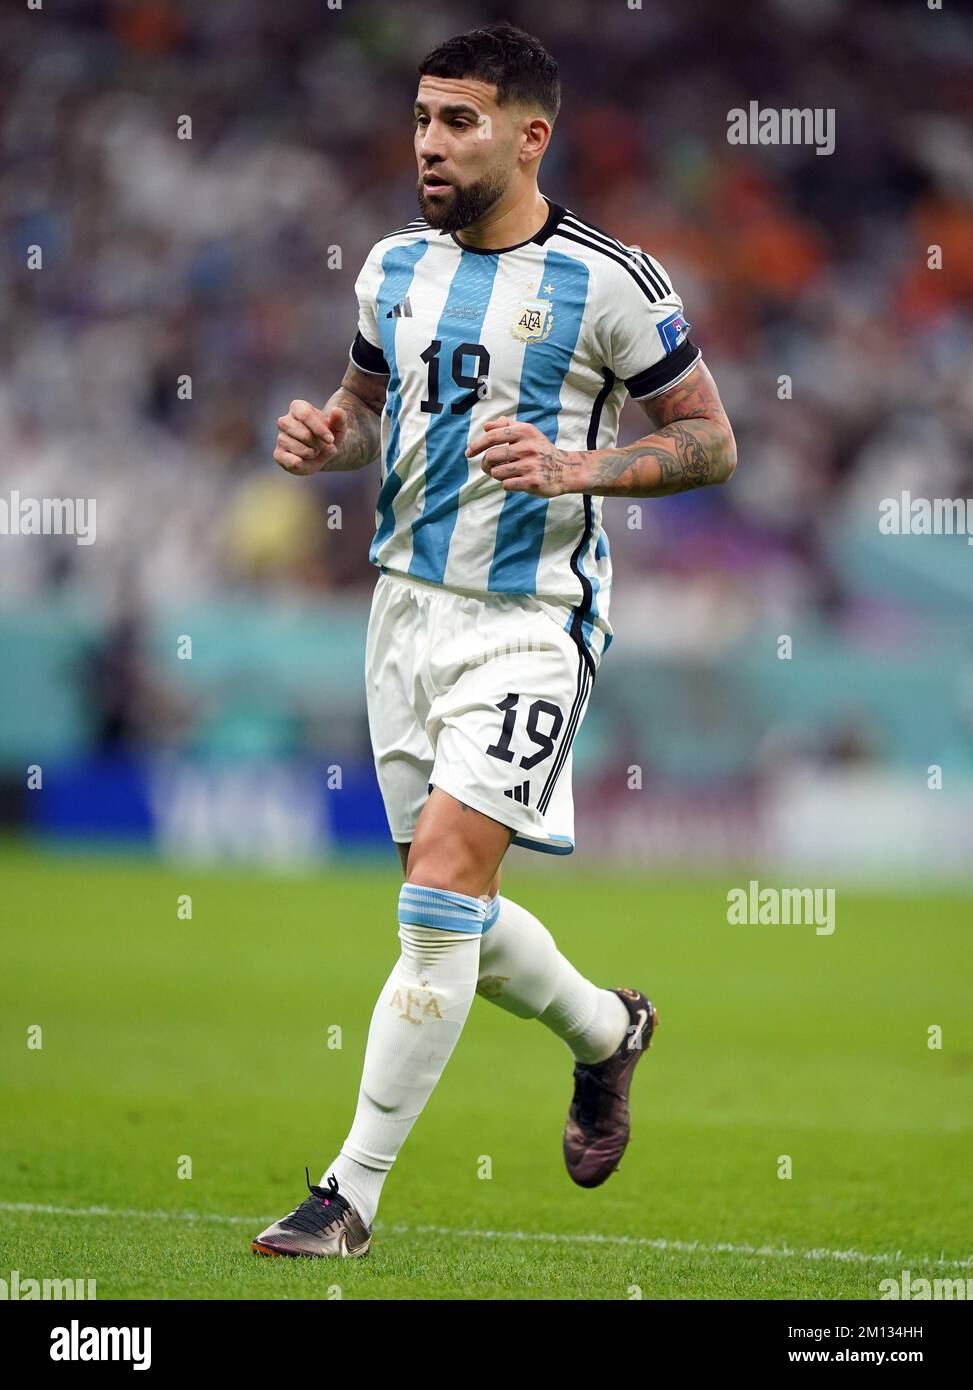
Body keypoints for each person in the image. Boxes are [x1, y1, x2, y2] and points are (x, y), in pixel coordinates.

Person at [253, 21, 735, 1259]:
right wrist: (326, 441)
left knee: (438, 900)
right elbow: (368, 411)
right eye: (421, 116)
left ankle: (346, 1195)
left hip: (531, 623)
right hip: (402, 613)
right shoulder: (390, 270)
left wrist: (581, 464)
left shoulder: (613, 280)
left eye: (457, 121)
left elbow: (710, 441)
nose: (428, 142)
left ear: (531, 135)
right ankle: (606, 1032)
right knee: (450, 912)